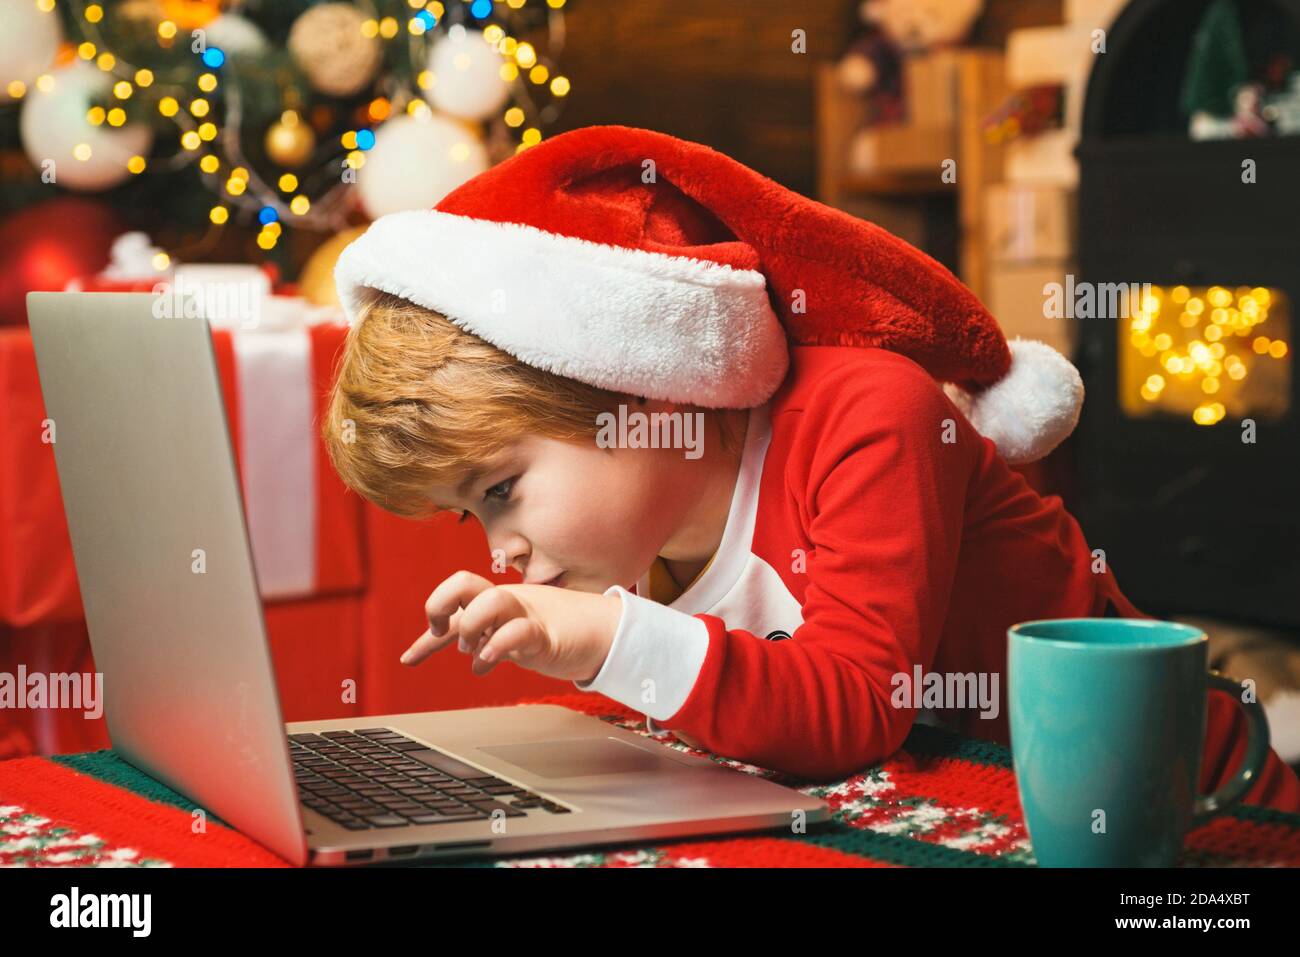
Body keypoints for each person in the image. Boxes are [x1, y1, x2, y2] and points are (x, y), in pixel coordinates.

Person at [322, 125, 1300, 811]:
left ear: (642, 389)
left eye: (500, 491)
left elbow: (855, 707)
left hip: (1196, 815)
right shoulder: (648, 536)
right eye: (472, 517)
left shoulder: (869, 413)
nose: (502, 550)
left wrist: (610, 637)